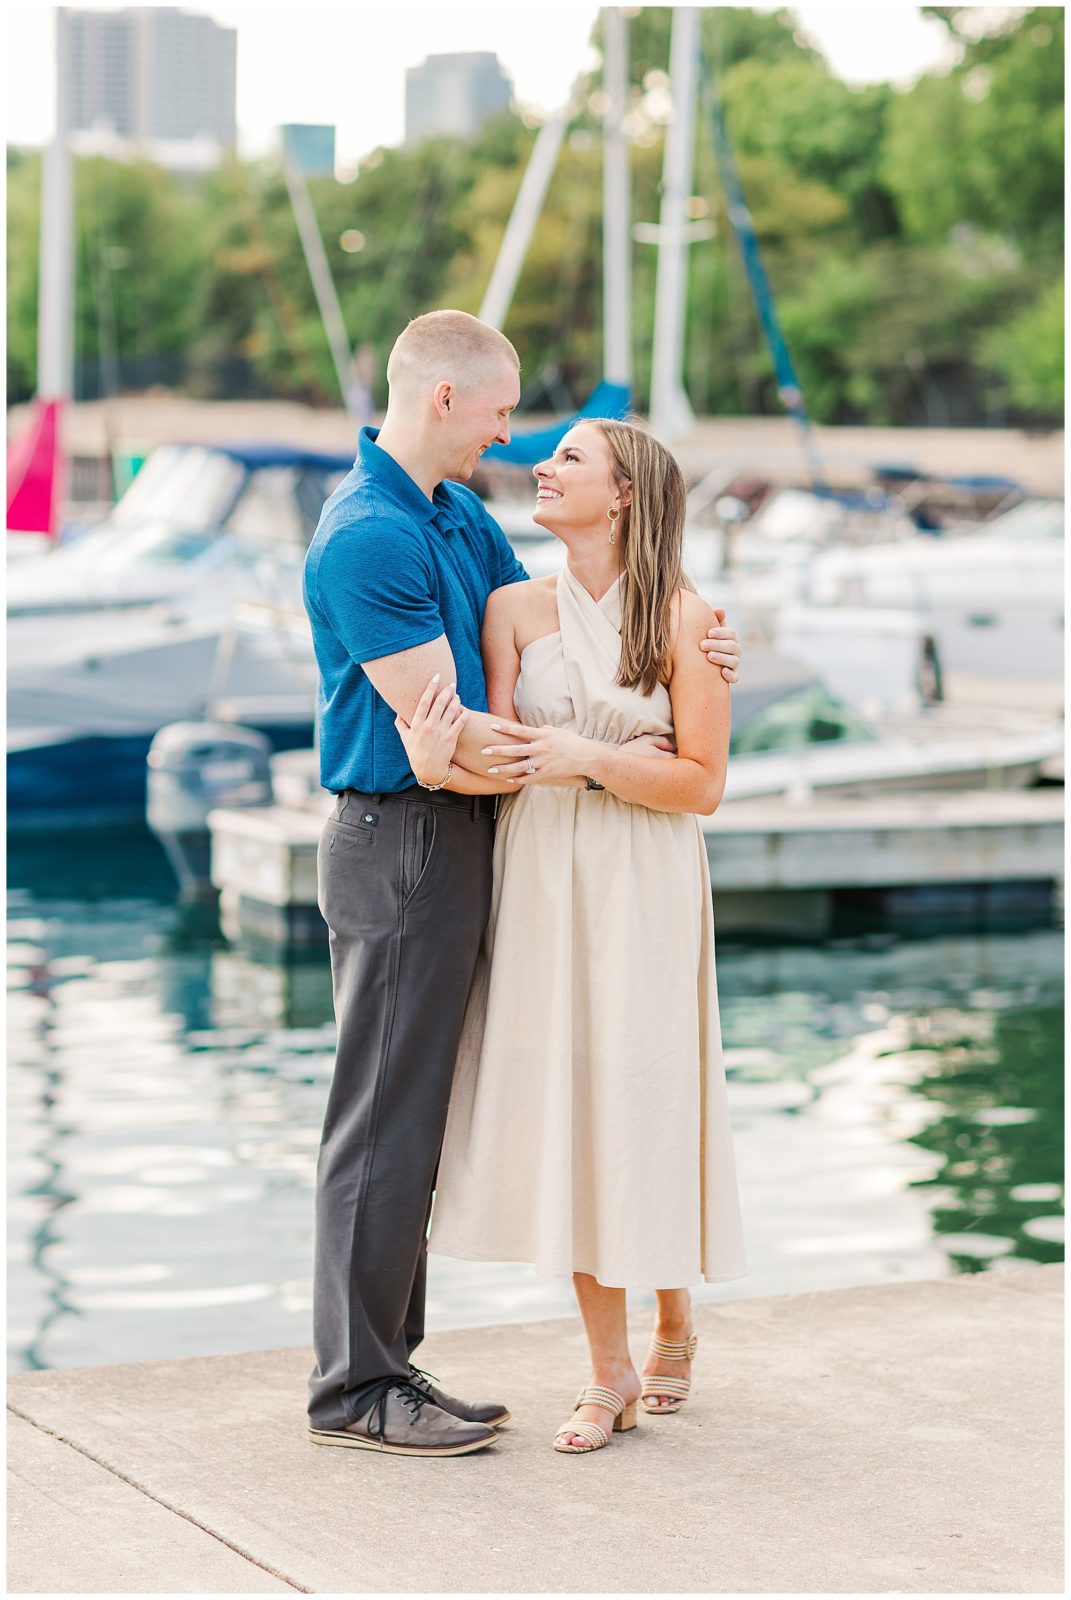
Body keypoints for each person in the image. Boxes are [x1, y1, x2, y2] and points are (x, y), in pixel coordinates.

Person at [302, 310, 743, 1458]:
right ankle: (356, 1385)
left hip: (479, 841)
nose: (513, 439)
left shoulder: (458, 522)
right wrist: (602, 757)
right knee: (382, 1116)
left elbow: (553, 657)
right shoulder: (367, 535)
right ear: (446, 398)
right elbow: (446, 743)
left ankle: (391, 1362)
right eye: (501, 414)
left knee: (416, 1116)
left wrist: (701, 654)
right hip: (399, 833)